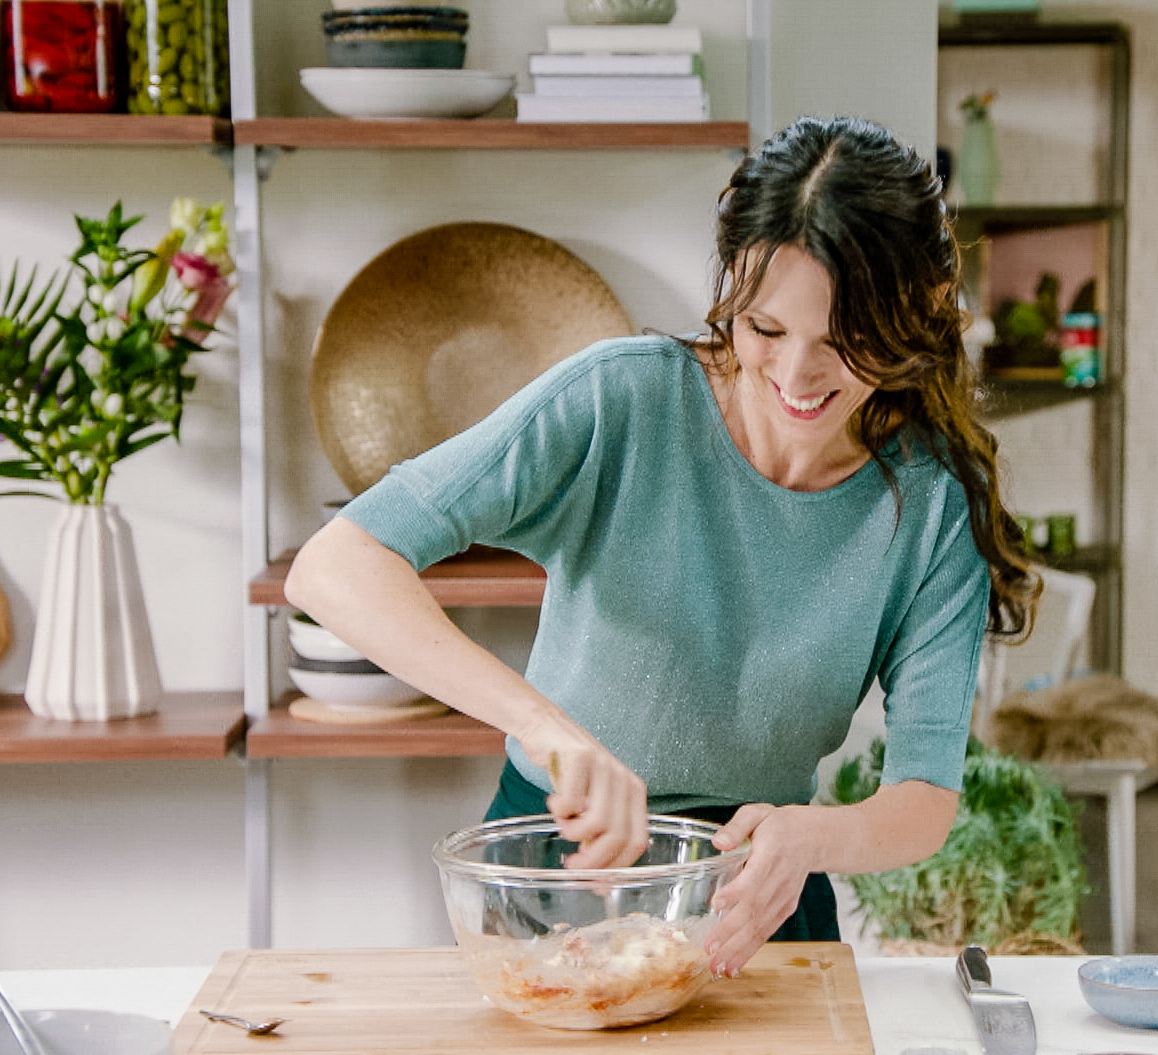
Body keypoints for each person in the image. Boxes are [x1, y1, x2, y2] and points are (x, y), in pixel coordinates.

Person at [285, 115, 1038, 975]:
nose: (797, 377)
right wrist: (549, 730)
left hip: (757, 899)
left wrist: (817, 834)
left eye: (843, 341)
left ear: (918, 316)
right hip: (555, 879)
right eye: (765, 329)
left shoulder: (934, 504)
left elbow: (924, 799)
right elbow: (338, 564)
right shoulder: (622, 400)